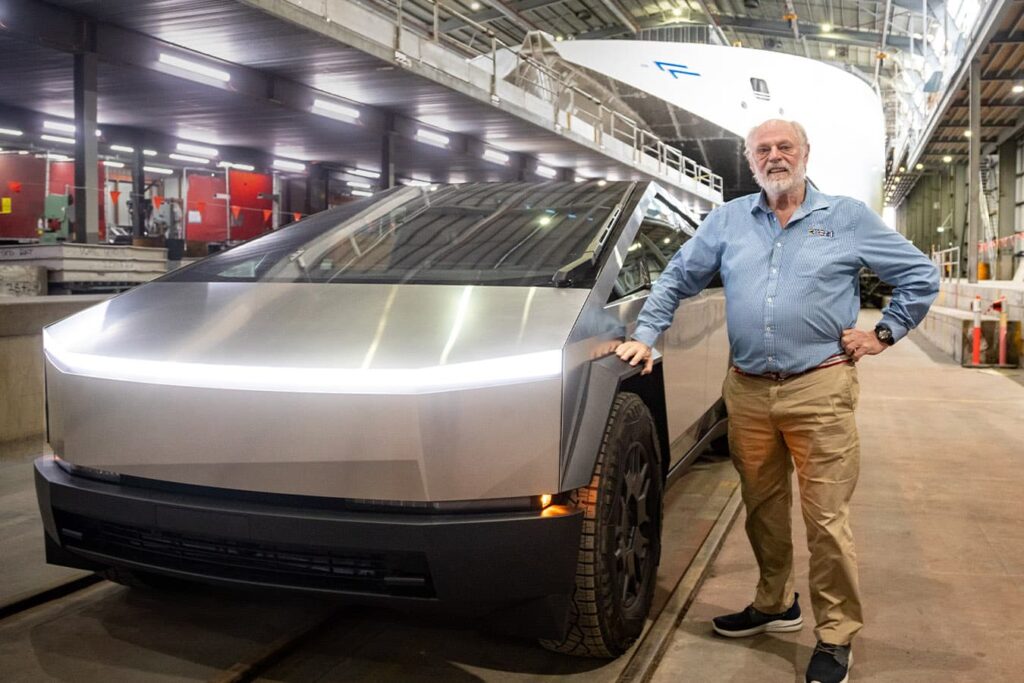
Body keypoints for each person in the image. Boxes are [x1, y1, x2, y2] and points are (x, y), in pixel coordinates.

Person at [615, 119, 939, 683]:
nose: (774, 156)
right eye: (762, 149)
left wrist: (883, 333)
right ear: (750, 160)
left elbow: (918, 275)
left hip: (820, 386)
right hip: (747, 389)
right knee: (762, 509)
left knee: (826, 521)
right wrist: (646, 333)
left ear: (806, 152)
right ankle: (774, 604)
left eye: (784, 146)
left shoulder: (846, 218)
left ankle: (835, 634)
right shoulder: (728, 220)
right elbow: (676, 277)